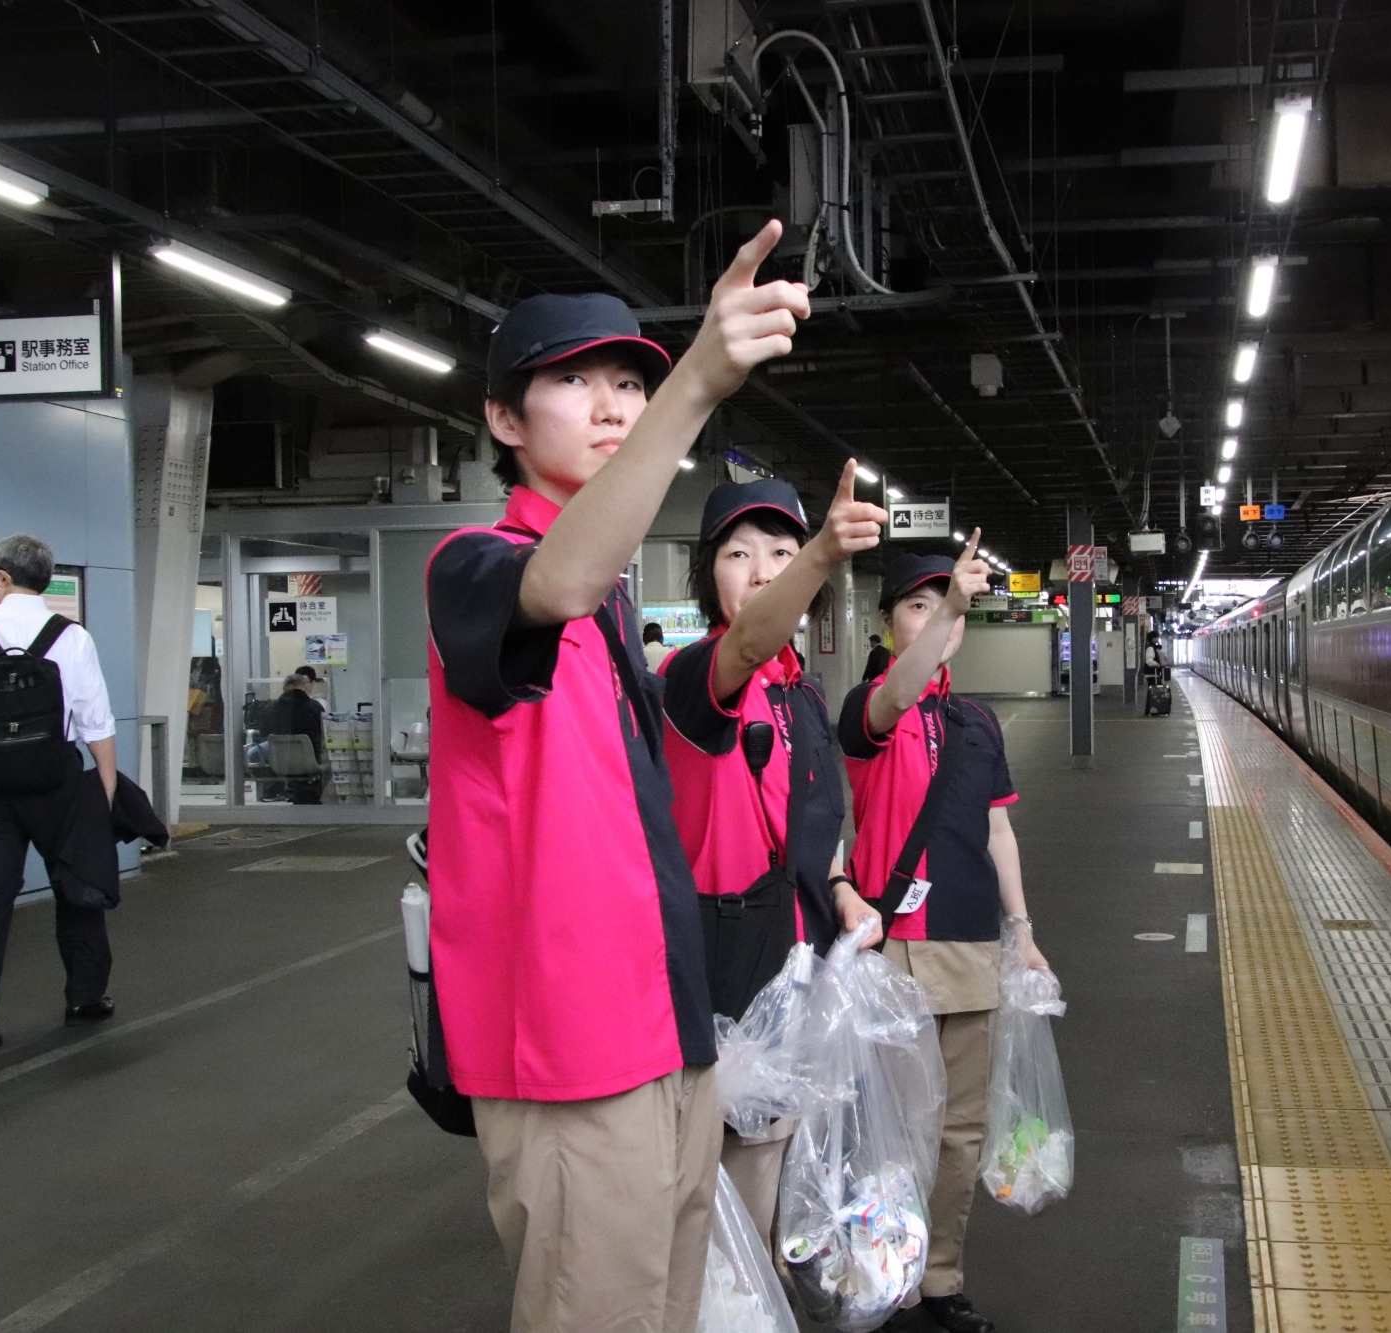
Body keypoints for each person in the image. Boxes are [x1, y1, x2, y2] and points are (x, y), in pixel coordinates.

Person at [423, 220, 808, 1333]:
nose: (608, 405)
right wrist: (693, 380)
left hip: (666, 1037)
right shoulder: (481, 570)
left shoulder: (614, 613)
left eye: (627, 386)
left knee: (670, 1308)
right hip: (571, 1054)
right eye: (571, 382)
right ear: (502, 416)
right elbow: (556, 577)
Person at [658, 467, 888, 1242]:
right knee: (726, 1217)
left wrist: (843, 886)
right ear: (706, 573)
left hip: (800, 981)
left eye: (782, 553)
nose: (761, 572)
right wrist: (822, 550)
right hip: (722, 992)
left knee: (785, 1196)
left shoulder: (804, 696)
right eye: (738, 554)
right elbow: (750, 637)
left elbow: (813, 830)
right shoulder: (695, 680)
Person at [838, 540, 1049, 1333]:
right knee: (892, 1129)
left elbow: (998, 832)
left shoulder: (978, 722)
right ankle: (880, 1273)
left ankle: (939, 1276)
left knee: (961, 1131)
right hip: (894, 951)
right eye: (918, 606)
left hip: (970, 947)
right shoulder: (870, 711)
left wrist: (1021, 931)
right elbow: (898, 692)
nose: (937, 619)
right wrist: (955, 606)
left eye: (946, 604)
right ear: (890, 623)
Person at [0, 536, 119, 1052]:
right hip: (55, 781)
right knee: (74, 886)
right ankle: (84, 997)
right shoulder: (71, 636)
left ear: (4, 578)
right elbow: (95, 722)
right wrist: (104, 790)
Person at [267, 674, 327, 804]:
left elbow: (264, 733)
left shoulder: (271, 708)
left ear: (284, 689)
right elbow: (325, 734)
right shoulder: (315, 707)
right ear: (305, 687)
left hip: (280, 761)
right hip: (310, 761)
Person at [1142, 636, 1167, 716]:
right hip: (1152, 673)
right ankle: (1152, 710)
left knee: (1153, 692)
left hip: (1153, 674)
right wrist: (1156, 664)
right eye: (1156, 637)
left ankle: (1153, 709)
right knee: (1153, 692)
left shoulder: (1152, 647)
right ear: (1153, 638)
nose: (1158, 638)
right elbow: (1149, 660)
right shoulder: (1150, 648)